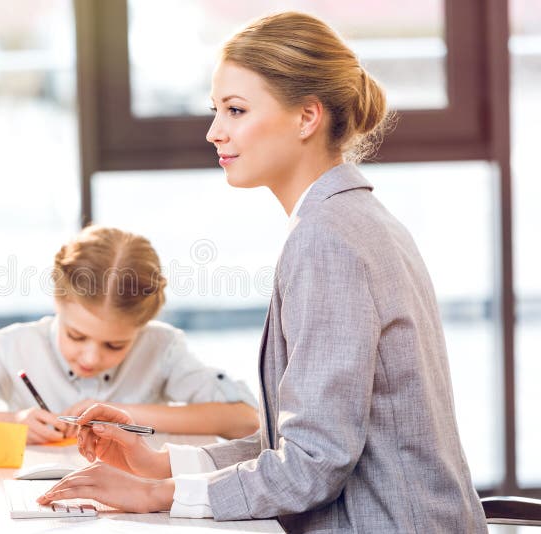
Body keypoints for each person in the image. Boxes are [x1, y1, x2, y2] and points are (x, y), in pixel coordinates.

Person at [38, 12, 488, 532]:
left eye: (235, 110)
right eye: (216, 110)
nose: (214, 132)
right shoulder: (354, 218)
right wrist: (162, 463)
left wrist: (155, 495)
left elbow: (312, 465)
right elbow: (301, 439)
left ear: (306, 117)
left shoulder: (328, 239)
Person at [0, 225, 259, 444]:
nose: (91, 357)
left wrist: (123, 413)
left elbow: (246, 420)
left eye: (115, 345)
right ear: (57, 302)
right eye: (76, 336)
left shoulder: (160, 347)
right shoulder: (17, 346)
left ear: (141, 327)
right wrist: (13, 422)